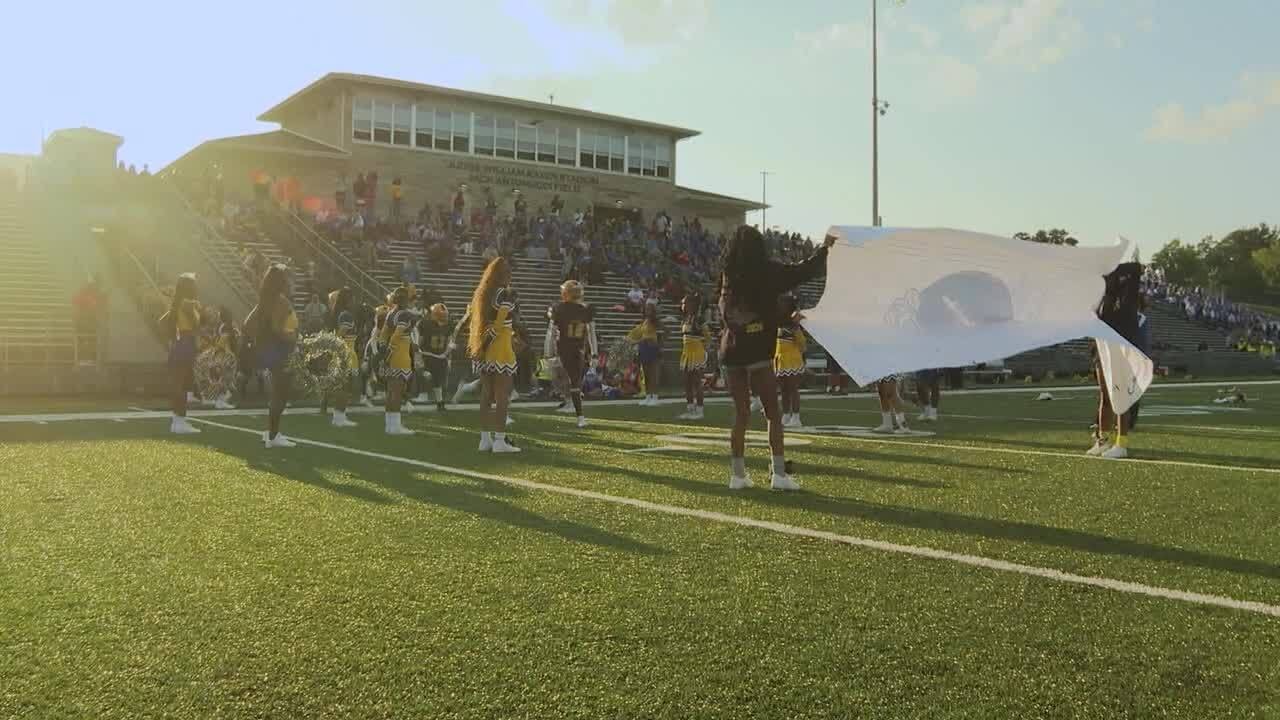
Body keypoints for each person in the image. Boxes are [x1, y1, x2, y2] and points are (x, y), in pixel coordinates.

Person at [719, 225, 833, 491]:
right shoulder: (768, 270)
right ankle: (778, 475)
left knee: (741, 415)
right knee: (773, 413)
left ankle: (737, 476)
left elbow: (728, 311)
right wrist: (825, 247)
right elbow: (803, 271)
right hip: (758, 349)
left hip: (732, 350)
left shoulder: (728, 275)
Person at [1088, 262, 1143, 460]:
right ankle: (1103, 440)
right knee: (1105, 395)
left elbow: (1135, 269)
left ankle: (1122, 443)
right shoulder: (1103, 301)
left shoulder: (1125, 300)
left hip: (1120, 349)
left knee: (1119, 396)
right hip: (1102, 349)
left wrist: (1110, 265)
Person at [468, 257, 522, 453]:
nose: (510, 275)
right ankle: (499, 441)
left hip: (487, 344)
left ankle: (485, 440)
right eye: (508, 271)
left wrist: (482, 346)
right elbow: (500, 325)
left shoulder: (484, 292)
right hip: (499, 346)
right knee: (502, 396)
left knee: (486, 395)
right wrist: (487, 343)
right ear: (502, 274)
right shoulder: (504, 293)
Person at [246, 264, 298, 448]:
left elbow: (247, 324)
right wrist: (293, 338)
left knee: (278, 393)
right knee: (281, 394)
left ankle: (271, 433)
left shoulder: (266, 301)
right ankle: (273, 436)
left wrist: (262, 341)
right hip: (281, 350)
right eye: (289, 278)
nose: (292, 281)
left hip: (270, 351)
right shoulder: (281, 301)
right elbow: (277, 328)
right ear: (282, 281)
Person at [548, 280, 598, 428]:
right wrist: (595, 353)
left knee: (569, 381)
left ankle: (577, 412)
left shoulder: (559, 308)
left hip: (563, 349)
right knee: (574, 382)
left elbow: (551, 332)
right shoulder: (586, 309)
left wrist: (548, 351)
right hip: (579, 349)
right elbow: (591, 333)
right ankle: (578, 414)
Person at [158, 273, 201, 435]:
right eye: (194, 284)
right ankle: (180, 422)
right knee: (182, 386)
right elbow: (197, 326)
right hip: (186, 343)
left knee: (179, 385)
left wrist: (171, 339)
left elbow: (161, 322)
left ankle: (177, 422)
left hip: (179, 344)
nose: (197, 286)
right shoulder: (188, 305)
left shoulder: (178, 304)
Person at [379, 286, 418, 436]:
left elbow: (383, 335)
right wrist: (389, 353)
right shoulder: (405, 315)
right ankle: (395, 426)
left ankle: (389, 425)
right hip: (399, 355)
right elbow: (396, 336)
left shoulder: (391, 313)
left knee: (390, 392)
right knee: (397, 391)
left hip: (391, 354)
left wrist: (384, 352)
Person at [326, 288, 359, 428]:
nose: (354, 301)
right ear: (347, 299)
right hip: (346, 352)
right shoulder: (346, 315)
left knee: (345, 386)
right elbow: (340, 336)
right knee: (345, 386)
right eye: (352, 298)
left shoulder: (339, 313)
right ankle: (339, 417)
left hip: (344, 352)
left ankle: (339, 416)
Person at [773, 294, 808, 428]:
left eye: (782, 306)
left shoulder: (794, 327)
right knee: (783, 390)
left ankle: (796, 417)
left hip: (792, 360)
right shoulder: (779, 324)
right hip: (780, 359)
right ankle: (786, 414)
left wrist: (796, 328)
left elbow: (803, 345)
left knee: (793, 389)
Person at [677, 293, 711, 420]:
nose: (683, 305)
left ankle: (700, 411)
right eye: (682, 303)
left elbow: (707, 336)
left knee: (697, 382)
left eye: (685, 303)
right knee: (686, 383)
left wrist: (704, 350)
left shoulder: (699, 319)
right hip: (686, 353)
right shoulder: (685, 318)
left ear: (692, 304)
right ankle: (690, 409)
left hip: (697, 352)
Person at [416, 303, 454, 412]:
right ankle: (421, 395)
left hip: (440, 356)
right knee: (425, 375)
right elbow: (419, 342)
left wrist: (447, 355)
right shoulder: (425, 324)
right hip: (427, 355)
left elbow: (450, 342)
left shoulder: (448, 325)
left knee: (438, 381)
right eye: (442, 316)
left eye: (445, 315)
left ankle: (440, 403)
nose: (444, 318)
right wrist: (419, 356)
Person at [626, 302, 663, 407]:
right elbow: (639, 334)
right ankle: (648, 396)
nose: (647, 311)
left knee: (653, 374)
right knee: (646, 374)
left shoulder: (655, 321)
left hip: (652, 348)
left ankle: (655, 397)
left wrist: (659, 343)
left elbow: (666, 331)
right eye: (646, 309)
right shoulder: (645, 321)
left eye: (650, 309)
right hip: (643, 348)